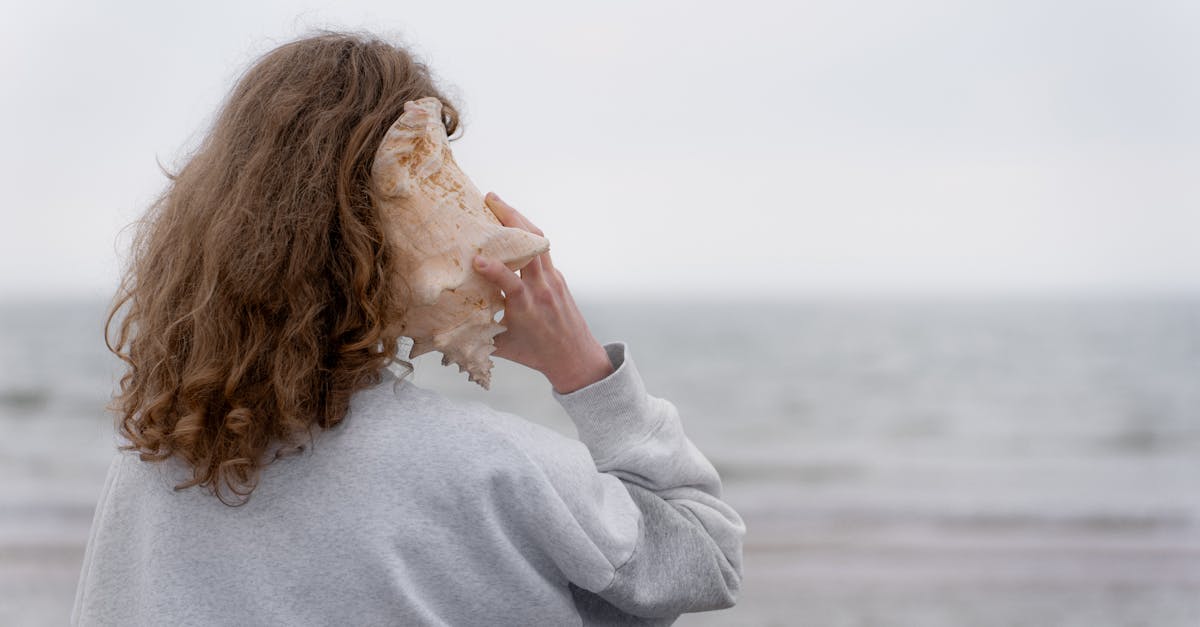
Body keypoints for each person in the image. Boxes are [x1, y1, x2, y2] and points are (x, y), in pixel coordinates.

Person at [72, 31, 744, 626]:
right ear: (388, 217)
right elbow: (706, 556)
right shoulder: (489, 472)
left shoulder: (150, 467)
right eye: (436, 170)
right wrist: (586, 370)